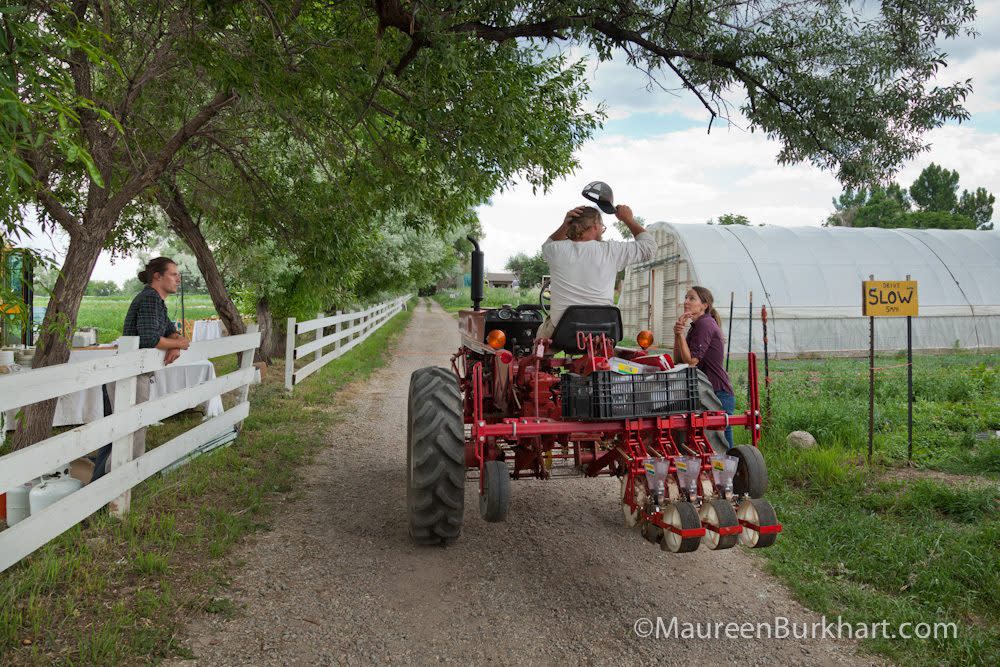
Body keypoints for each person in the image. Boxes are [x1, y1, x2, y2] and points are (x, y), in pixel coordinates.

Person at [91, 257, 190, 482]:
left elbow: (170, 330)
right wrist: (178, 344)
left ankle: (111, 487)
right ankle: (105, 489)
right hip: (127, 375)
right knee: (125, 434)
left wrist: (176, 343)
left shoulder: (156, 301)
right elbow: (150, 339)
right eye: (174, 274)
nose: (178, 279)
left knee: (130, 432)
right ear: (157, 276)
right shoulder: (149, 299)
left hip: (133, 374)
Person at [537, 204, 656, 340]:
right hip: (603, 333)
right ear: (595, 224)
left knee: (542, 337)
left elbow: (547, 245)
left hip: (562, 333)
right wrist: (628, 219)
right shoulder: (612, 251)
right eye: (602, 226)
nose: (602, 230)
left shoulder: (555, 250)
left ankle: (542, 357)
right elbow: (650, 248)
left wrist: (565, 226)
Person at [673, 286, 736, 447]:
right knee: (714, 448)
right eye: (686, 297)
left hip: (717, 394)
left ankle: (732, 470)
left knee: (721, 449)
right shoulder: (695, 327)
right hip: (704, 393)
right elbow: (679, 361)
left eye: (692, 298)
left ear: (704, 305)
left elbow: (692, 362)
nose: (686, 301)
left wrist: (680, 334)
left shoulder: (705, 324)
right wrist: (677, 335)